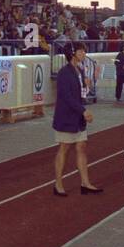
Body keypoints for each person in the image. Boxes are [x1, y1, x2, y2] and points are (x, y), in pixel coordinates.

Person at [52, 44, 100, 196]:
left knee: (81, 148)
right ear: (72, 53)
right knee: (64, 149)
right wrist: (84, 111)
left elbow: (81, 94)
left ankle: (85, 183)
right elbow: (67, 97)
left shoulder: (79, 70)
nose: (84, 53)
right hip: (67, 118)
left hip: (78, 118)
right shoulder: (64, 73)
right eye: (81, 51)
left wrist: (89, 85)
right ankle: (58, 184)